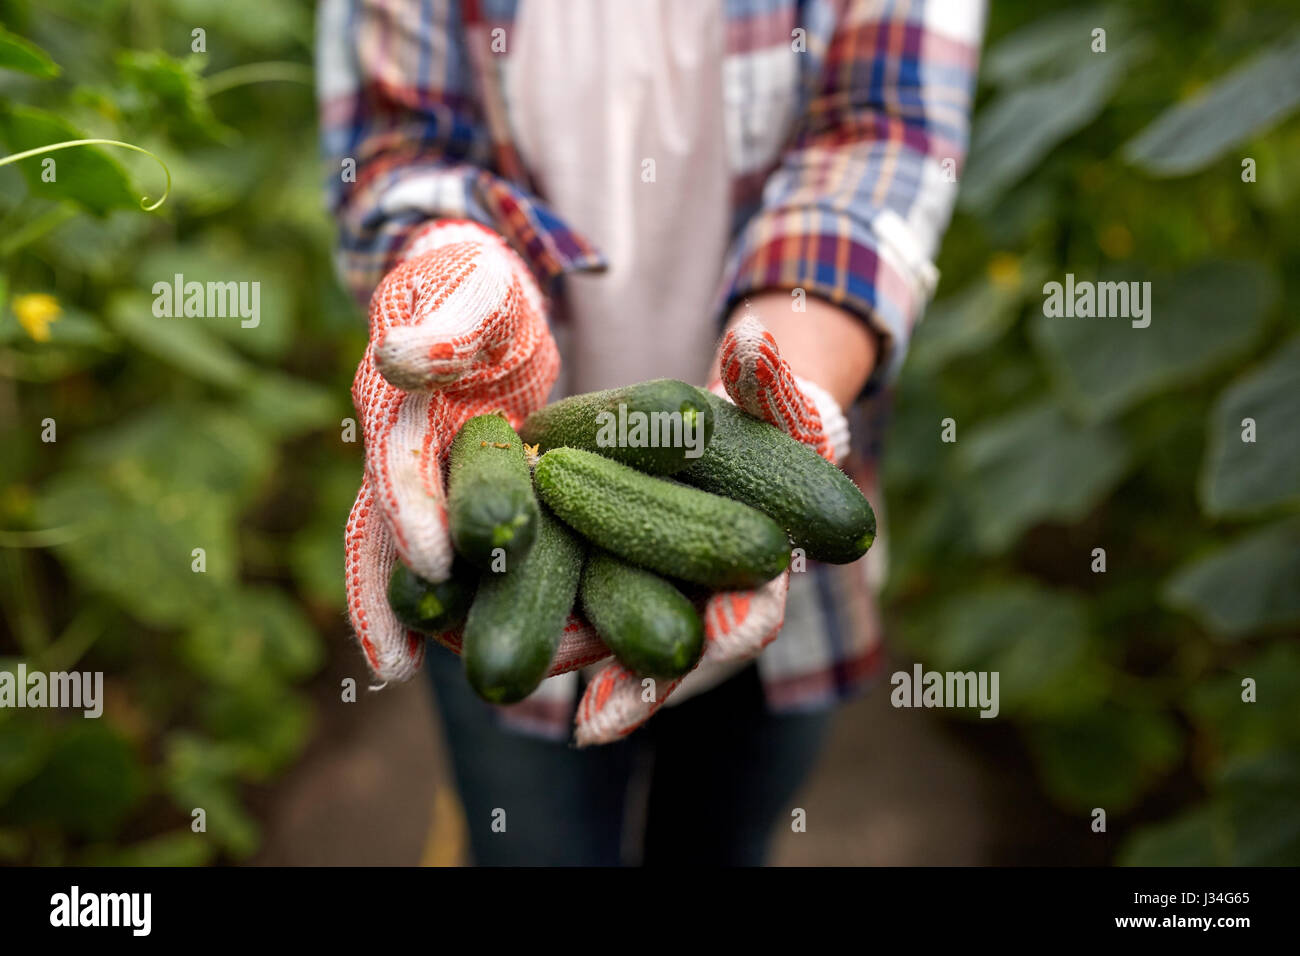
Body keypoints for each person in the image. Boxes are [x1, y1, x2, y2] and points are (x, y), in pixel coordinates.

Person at [318, 0, 983, 865]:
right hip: (475, 501)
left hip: (780, 524)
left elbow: (878, 143)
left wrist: (790, 373)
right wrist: (454, 282)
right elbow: (395, 156)